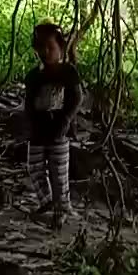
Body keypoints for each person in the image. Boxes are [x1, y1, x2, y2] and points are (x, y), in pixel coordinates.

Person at [24, 22, 82, 228]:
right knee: (34, 168)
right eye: (41, 47)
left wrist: (66, 120)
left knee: (59, 173)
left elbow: (76, 99)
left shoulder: (68, 72)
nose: (45, 52)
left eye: (50, 47)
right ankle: (48, 202)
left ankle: (62, 208)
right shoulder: (33, 76)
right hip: (37, 132)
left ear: (61, 47)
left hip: (59, 131)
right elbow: (28, 103)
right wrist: (28, 125)